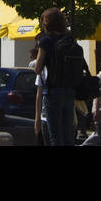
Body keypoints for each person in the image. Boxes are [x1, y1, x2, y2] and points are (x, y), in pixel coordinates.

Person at [32, 8, 79, 147]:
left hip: (53, 92)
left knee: (55, 137)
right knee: (67, 136)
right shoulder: (70, 39)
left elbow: (38, 69)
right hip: (69, 91)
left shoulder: (46, 41)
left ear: (46, 23)